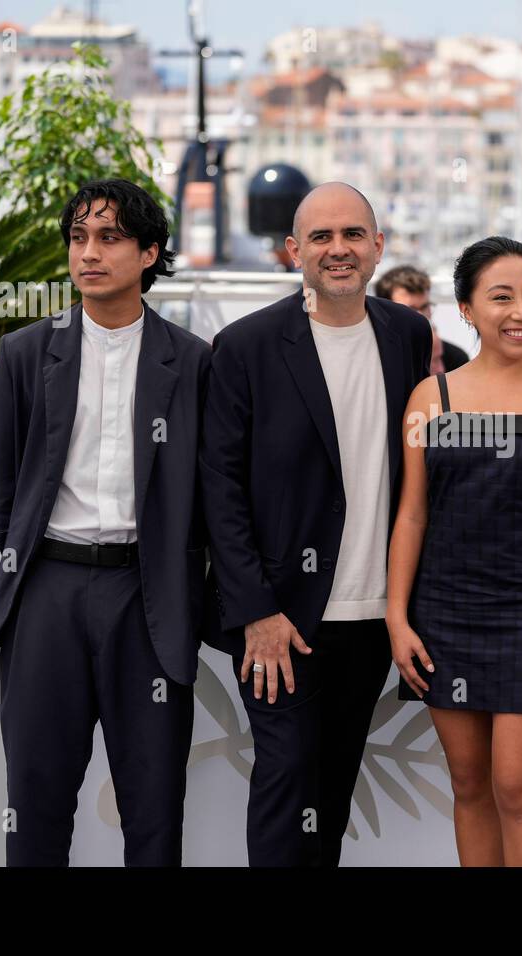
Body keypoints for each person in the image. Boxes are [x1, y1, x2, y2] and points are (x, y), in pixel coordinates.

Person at [199, 182, 433, 866]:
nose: (339, 250)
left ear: (377, 247)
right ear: (294, 251)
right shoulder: (245, 346)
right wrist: (256, 612)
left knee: (329, 794)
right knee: (287, 781)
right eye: (322, 238)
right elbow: (220, 490)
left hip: (371, 617)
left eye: (353, 235)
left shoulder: (407, 334)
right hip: (282, 622)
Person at [0, 179, 209, 866]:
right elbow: (3, 480)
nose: (89, 253)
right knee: (37, 797)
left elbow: (210, 489)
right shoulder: (25, 353)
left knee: (153, 803)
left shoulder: (194, 361)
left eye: (109, 238)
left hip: (148, 599)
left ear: (149, 253)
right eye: (79, 238)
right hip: (47, 589)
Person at [387, 237, 522, 866]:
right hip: (444, 615)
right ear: (465, 308)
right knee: (468, 783)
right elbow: (411, 514)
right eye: (502, 297)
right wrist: (397, 618)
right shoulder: (431, 399)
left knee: (518, 786)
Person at [375, 263, 470, 371]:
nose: (421, 317)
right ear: (384, 313)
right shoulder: (373, 359)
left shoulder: (455, 359)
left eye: (425, 307)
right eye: (410, 310)